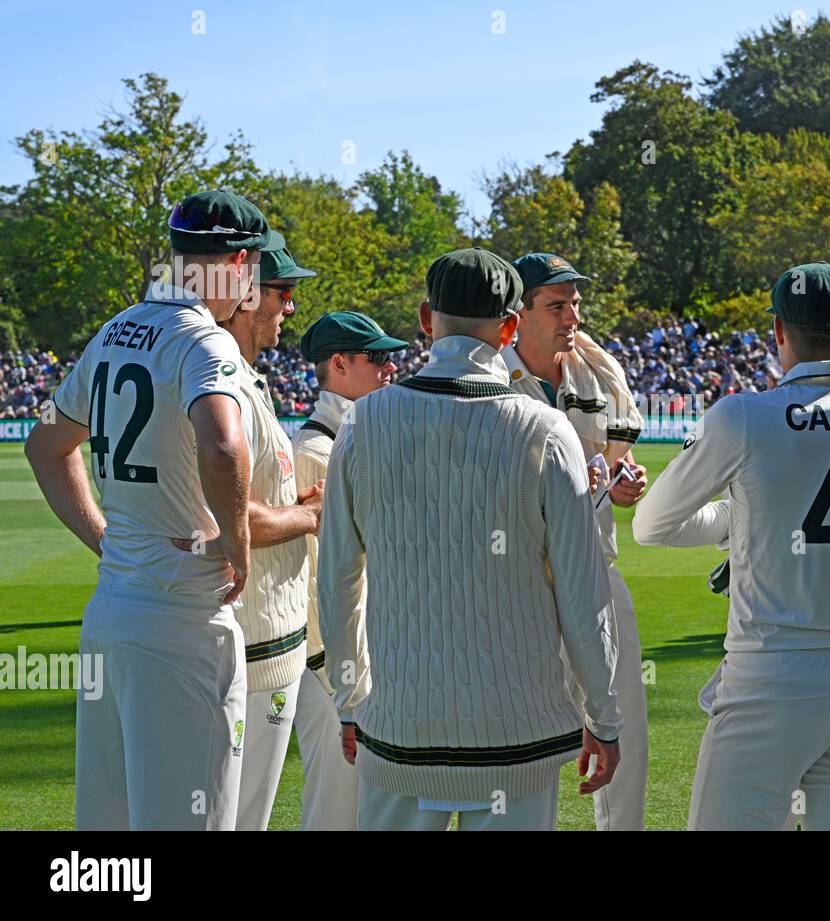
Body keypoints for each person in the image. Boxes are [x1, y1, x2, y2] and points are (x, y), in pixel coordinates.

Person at [316, 248, 622, 831]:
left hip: (402, 724)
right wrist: (603, 717)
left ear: (428, 319)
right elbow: (585, 595)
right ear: (509, 327)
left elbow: (337, 583)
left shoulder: (364, 423)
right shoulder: (545, 429)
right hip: (517, 734)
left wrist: (349, 700)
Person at [634, 262, 830, 831]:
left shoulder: (743, 415)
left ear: (778, 330)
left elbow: (651, 526)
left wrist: (739, 521)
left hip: (771, 679)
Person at [25, 189, 273, 829]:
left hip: (111, 611)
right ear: (241, 263)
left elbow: (46, 444)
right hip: (184, 619)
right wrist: (238, 545)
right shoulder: (205, 343)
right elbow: (222, 446)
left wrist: (104, 539)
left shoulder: (114, 330)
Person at [502, 252, 649, 831]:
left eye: (576, 304)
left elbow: (618, 463)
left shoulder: (595, 372)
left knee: (625, 727)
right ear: (519, 313)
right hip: (518, 581)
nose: (572, 317)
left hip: (594, 571)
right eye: (556, 305)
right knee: (522, 734)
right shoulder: (491, 374)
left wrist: (623, 483)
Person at [210, 239, 322, 829]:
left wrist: (292, 507)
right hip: (253, 651)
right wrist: (308, 517)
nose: (291, 308)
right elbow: (232, 513)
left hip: (269, 647)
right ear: (247, 296)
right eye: (284, 294)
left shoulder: (242, 375)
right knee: (233, 816)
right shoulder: (223, 374)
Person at [291, 311, 406, 830]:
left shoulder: (361, 436)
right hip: (336, 672)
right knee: (337, 810)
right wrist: (344, 686)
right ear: (339, 364)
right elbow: (321, 586)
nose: (391, 368)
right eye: (377, 358)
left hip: (371, 661)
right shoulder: (317, 452)